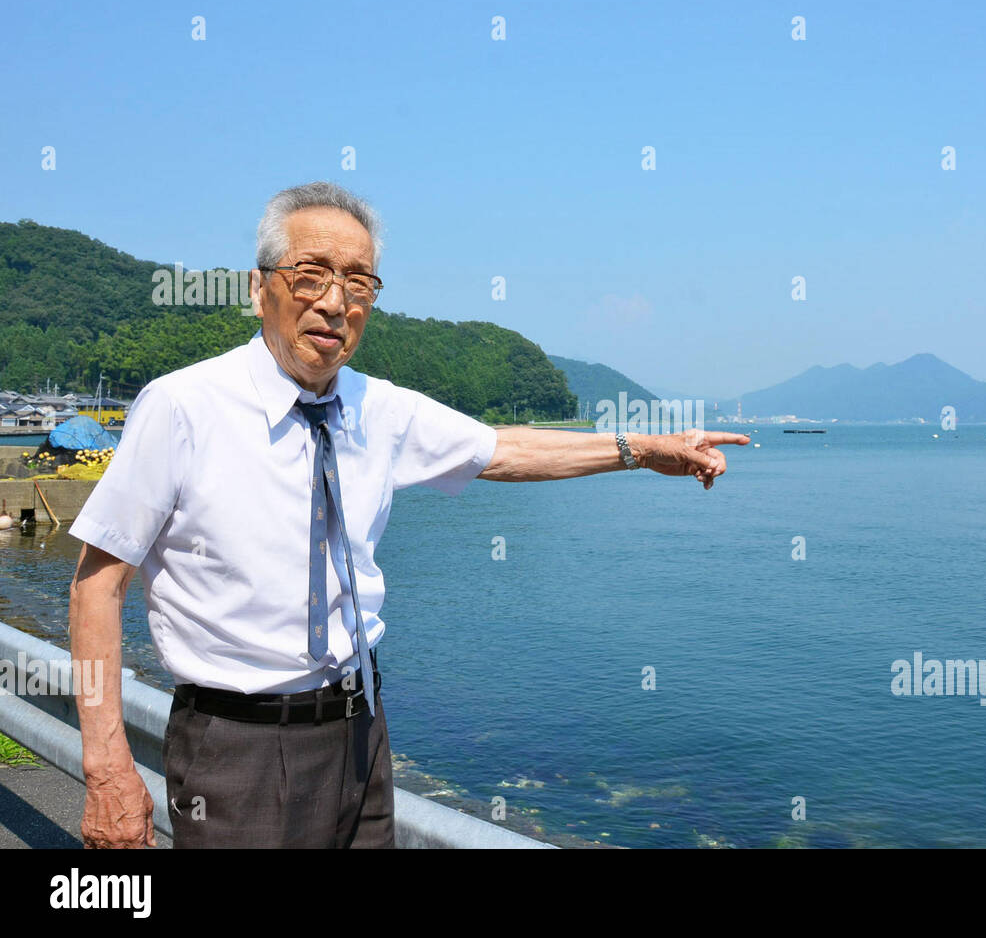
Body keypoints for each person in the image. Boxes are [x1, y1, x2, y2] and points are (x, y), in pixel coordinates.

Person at [67, 181, 748, 848]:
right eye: (312, 274)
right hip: (237, 745)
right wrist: (107, 769)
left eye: (359, 283)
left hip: (361, 728)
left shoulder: (377, 407)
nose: (335, 302)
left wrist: (643, 448)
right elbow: (97, 584)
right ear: (258, 288)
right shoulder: (184, 407)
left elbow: (505, 449)